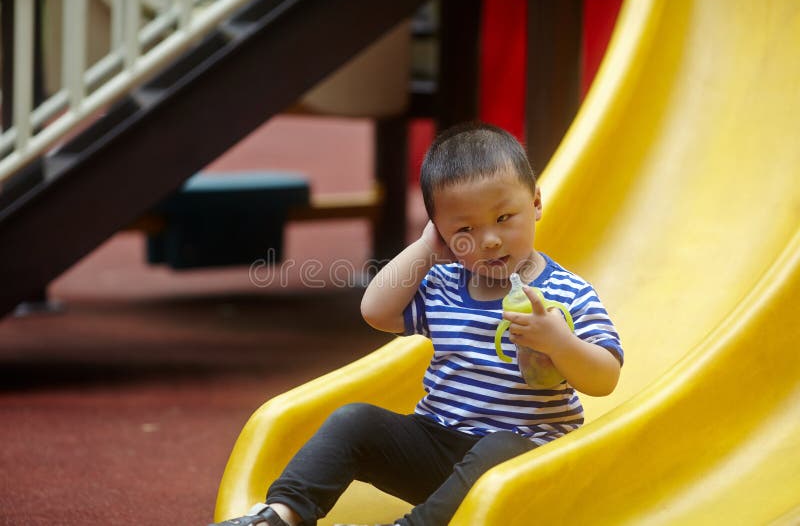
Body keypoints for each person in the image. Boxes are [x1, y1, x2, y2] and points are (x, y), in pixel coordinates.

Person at [211, 122, 623, 526]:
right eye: (465, 229)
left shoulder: (567, 293)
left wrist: (560, 342)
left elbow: (605, 378)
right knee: (354, 420)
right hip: (439, 449)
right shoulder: (443, 286)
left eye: (504, 217)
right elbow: (375, 311)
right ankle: (282, 516)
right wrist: (426, 248)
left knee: (496, 448)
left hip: (523, 461)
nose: (490, 240)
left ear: (535, 202)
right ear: (441, 232)